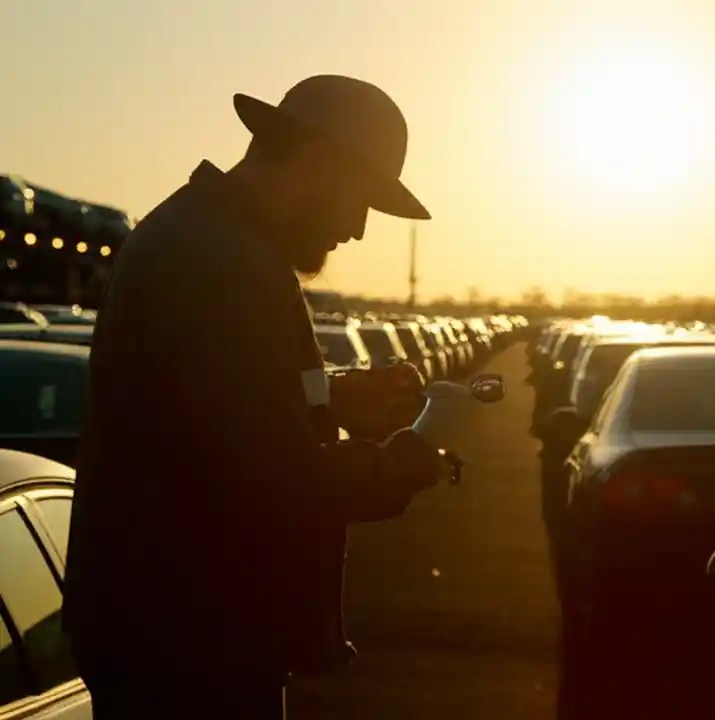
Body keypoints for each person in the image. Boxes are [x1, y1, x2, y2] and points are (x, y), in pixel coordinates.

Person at [63, 75, 439, 719]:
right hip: (192, 652)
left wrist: (334, 399)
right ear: (319, 161)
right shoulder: (223, 265)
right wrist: (410, 460)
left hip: (172, 637)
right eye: (361, 201)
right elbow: (271, 480)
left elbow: (213, 410)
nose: (356, 230)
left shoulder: (200, 239)